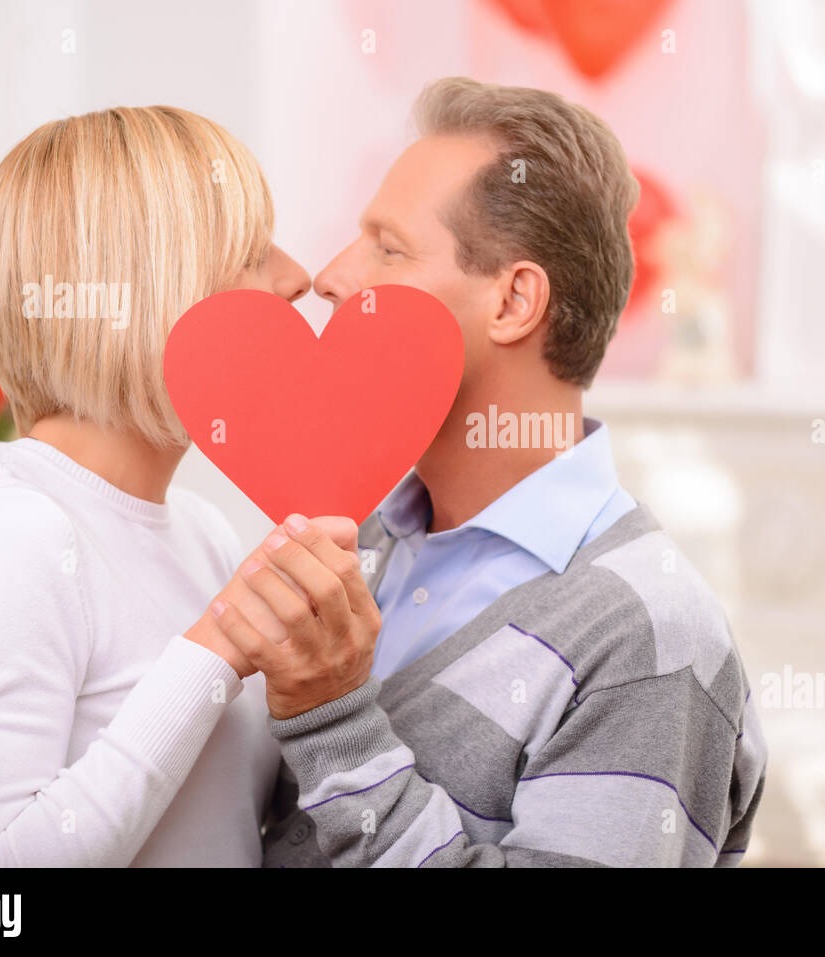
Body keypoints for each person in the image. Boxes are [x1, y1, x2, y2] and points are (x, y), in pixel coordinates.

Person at [207, 77, 768, 867]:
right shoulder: (360, 541)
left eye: (388, 247)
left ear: (513, 302)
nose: (331, 277)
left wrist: (333, 717)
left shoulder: (649, 638)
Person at [0, 105, 353, 866]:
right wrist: (213, 650)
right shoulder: (15, 537)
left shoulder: (202, 532)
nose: (296, 279)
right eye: (252, 254)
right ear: (150, 293)